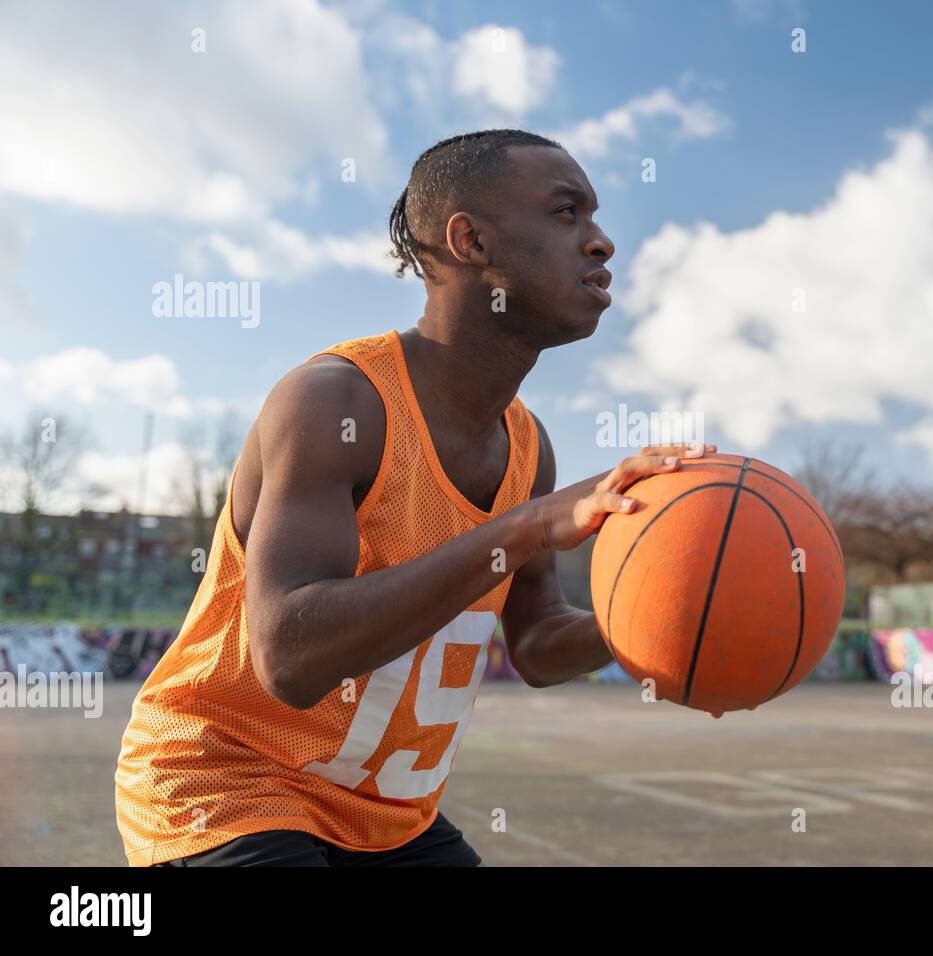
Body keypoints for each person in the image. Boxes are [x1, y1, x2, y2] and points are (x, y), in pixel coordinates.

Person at [115, 129, 713, 867]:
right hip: (226, 785)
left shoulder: (530, 449)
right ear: (471, 241)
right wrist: (524, 527)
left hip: (382, 816)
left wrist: (676, 623)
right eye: (568, 214)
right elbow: (289, 659)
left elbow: (536, 644)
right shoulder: (337, 403)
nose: (602, 243)